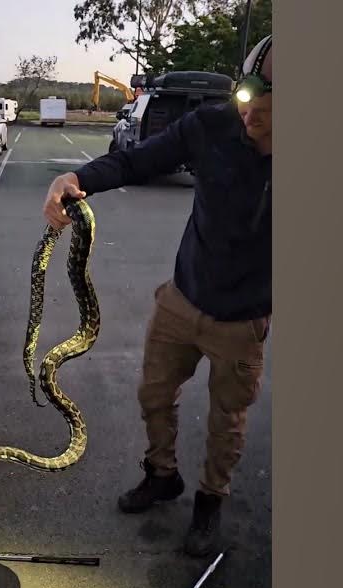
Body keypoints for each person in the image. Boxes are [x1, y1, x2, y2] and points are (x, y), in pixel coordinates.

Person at [42, 35, 273, 557]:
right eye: (245, 98)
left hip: (243, 320)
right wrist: (76, 177)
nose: (249, 115)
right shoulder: (213, 126)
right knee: (154, 393)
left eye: (265, 107)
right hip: (182, 297)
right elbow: (136, 161)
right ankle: (161, 473)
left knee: (227, 420)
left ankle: (211, 502)